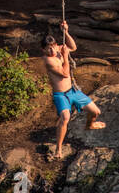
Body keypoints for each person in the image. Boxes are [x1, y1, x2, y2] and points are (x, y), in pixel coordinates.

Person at [41, 22, 105, 159]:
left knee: (96, 111)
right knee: (65, 117)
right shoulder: (48, 61)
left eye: (52, 47)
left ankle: (90, 125)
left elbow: (73, 47)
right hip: (61, 95)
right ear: (43, 50)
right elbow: (65, 73)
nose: (51, 51)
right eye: (48, 49)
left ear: (55, 45)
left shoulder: (58, 49)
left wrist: (66, 32)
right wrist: (64, 56)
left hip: (73, 91)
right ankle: (58, 149)